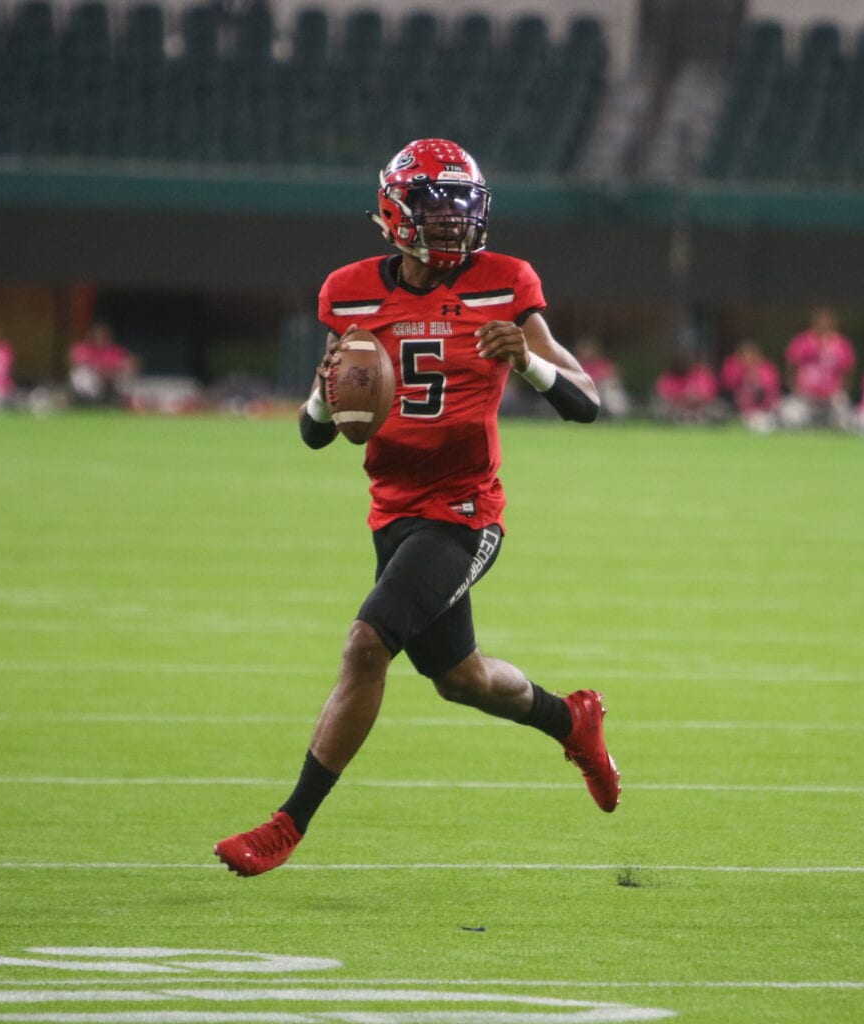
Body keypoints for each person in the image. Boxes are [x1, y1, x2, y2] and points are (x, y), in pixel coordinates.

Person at [213, 138, 620, 878]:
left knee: (367, 645)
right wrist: (326, 391)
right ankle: (573, 719)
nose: (453, 221)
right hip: (392, 512)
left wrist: (526, 360)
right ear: (397, 212)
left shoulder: (506, 282)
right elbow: (314, 432)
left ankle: (286, 824)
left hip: (465, 511)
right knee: (460, 678)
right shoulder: (349, 292)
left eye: (462, 207)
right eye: (437, 207)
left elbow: (588, 401)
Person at [779, 306, 855, 430]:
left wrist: (839, 391)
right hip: (805, 396)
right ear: (814, 323)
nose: (824, 325)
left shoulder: (842, 344)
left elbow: (848, 373)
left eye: (827, 322)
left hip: (832, 397)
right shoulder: (801, 342)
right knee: (790, 418)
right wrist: (796, 390)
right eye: (820, 322)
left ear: (833, 324)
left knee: (845, 420)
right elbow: (790, 369)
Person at [719, 340, 782, 432]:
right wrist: (743, 372)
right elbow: (728, 386)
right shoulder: (735, 369)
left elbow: (771, 393)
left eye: (751, 355)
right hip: (740, 412)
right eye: (745, 356)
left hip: (765, 411)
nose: (748, 359)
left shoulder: (767, 370)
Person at [68, 323, 137, 406]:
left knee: (126, 373)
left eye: (104, 335)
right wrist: (103, 369)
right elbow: (77, 364)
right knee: (81, 372)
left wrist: (111, 370)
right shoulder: (82, 348)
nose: (100, 338)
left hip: (111, 379)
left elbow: (130, 364)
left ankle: (122, 400)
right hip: (94, 381)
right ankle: (87, 400)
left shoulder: (114, 350)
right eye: (98, 335)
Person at [652, 352, 724, 425]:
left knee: (718, 407)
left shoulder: (702, 374)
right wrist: (682, 398)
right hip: (676, 408)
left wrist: (695, 397)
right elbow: (664, 395)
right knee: (659, 407)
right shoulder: (669, 376)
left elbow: (709, 394)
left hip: (700, 408)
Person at [574, 336, 631, 419]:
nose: (589, 352)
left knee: (611, 386)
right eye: (585, 349)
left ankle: (618, 415)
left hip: (604, 391)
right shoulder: (575, 364)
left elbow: (615, 375)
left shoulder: (604, 363)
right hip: (586, 392)